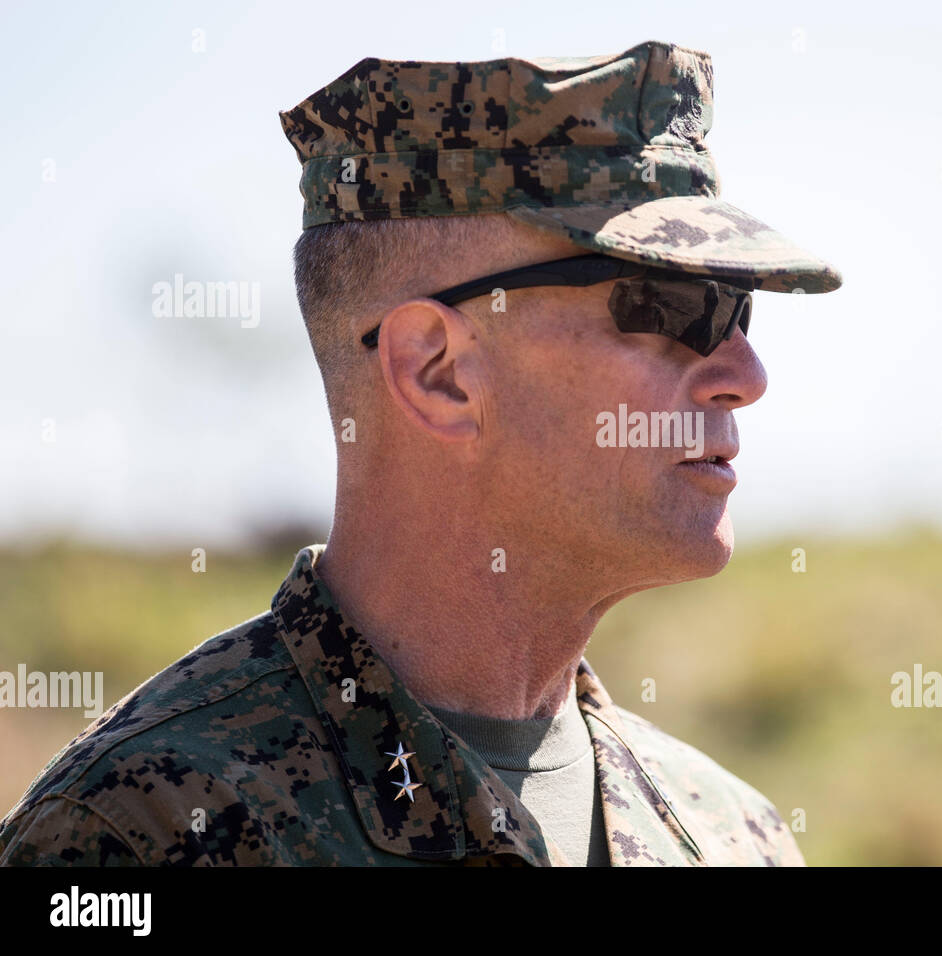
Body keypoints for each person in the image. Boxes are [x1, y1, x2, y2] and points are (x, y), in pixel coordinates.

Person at [0, 39, 841, 866]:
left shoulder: (731, 834)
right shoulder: (142, 831)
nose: (744, 374)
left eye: (739, 310)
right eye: (671, 303)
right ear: (437, 373)